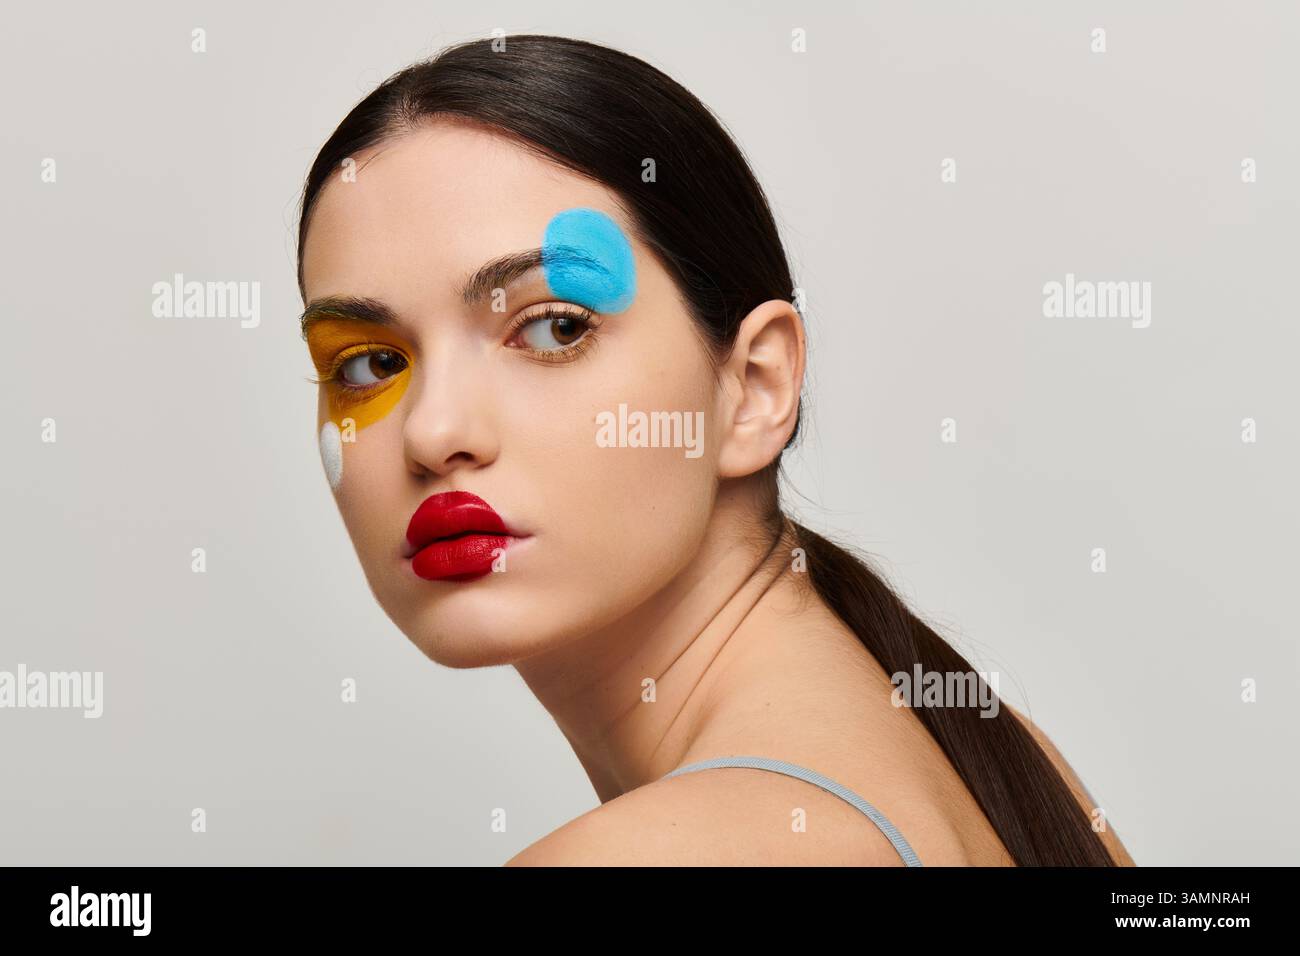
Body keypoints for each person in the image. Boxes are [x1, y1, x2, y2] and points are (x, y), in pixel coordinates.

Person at [295, 34, 1134, 866]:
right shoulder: (993, 762)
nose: (435, 434)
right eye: (369, 363)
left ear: (755, 386)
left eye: (552, 327)